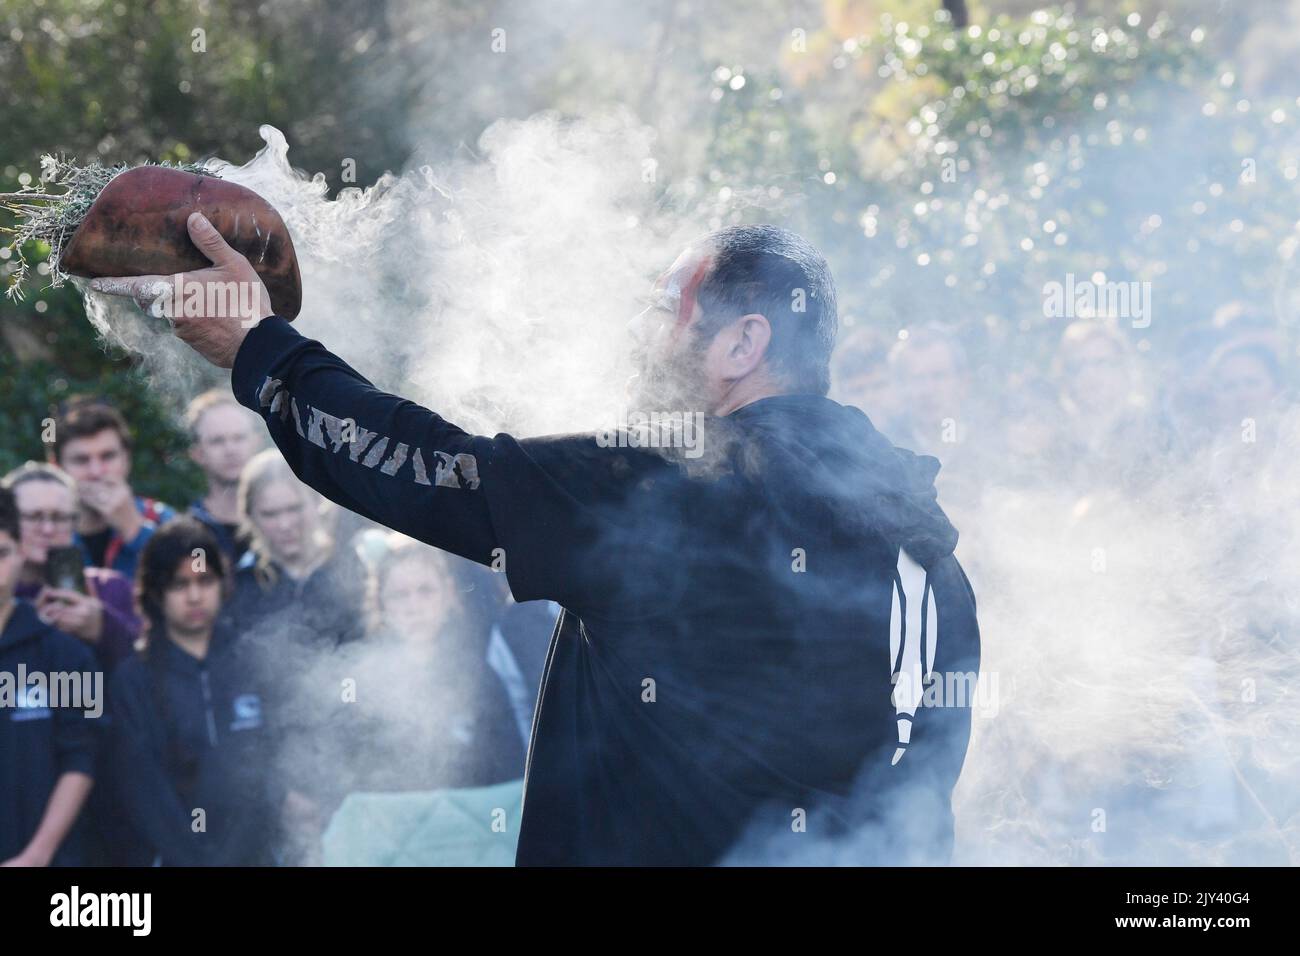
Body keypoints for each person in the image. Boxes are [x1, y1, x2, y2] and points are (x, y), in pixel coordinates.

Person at [93, 213, 982, 866]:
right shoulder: (922, 547)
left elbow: (429, 469)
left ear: (746, 340)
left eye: (663, 308)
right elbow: (912, 791)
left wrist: (261, 350)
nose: (642, 335)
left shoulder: (681, 478)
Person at [107, 518, 282, 866]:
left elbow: (273, 768)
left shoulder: (254, 662)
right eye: (179, 584)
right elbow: (144, 790)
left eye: (205, 580)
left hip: (259, 854)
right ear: (156, 592)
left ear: (222, 582)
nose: (194, 595)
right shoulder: (134, 678)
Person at [0, 486, 97, 867]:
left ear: (22, 551)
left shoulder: (67, 652)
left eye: (3, 553)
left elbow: (83, 757)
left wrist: (36, 856)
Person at [2, 462, 141, 672]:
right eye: (33, 516)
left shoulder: (109, 589)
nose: (47, 529)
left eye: (59, 518)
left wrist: (103, 628)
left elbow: (151, 676)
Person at [222, 449, 367, 651]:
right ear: (250, 516)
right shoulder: (240, 583)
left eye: (294, 508)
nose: (285, 524)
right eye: (270, 514)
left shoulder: (352, 569)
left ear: (318, 502)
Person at [51, 397, 176, 581]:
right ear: (58, 467)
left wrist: (135, 530)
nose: (96, 472)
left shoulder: (164, 521)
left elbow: (193, 590)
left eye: (107, 456)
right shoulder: (42, 530)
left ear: (127, 460)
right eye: (81, 460)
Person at [185, 389, 261, 564]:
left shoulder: (286, 515)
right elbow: (197, 583)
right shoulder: (191, 531)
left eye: (239, 437)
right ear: (197, 453)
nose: (230, 449)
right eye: (217, 441)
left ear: (255, 442)